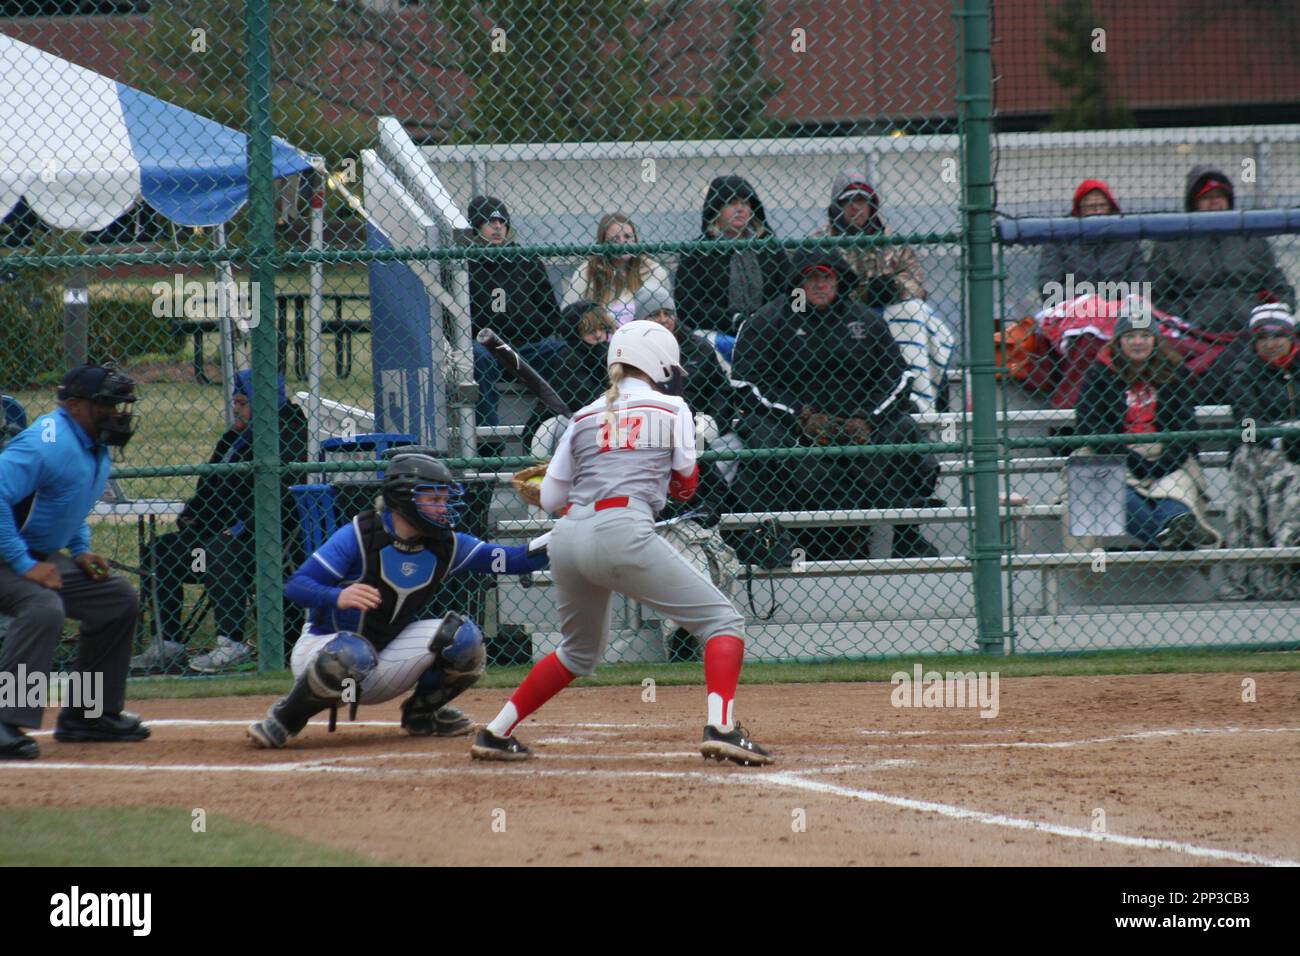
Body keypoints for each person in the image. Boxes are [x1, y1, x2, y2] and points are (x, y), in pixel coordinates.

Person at [470, 321, 773, 765]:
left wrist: (565, 476)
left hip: (570, 538)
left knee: (577, 652)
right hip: (624, 529)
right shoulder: (674, 408)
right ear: (659, 363)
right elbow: (686, 490)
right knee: (722, 624)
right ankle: (722, 727)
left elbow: (553, 499)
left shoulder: (584, 416)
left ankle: (495, 732)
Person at [247, 451, 549, 748]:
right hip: (323, 652)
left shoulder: (447, 545)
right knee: (354, 651)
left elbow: (518, 561)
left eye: (444, 499)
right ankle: (285, 720)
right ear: (404, 500)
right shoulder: (359, 535)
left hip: (382, 662)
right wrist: (337, 596)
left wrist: (570, 529)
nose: (443, 508)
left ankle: (422, 715)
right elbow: (297, 586)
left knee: (463, 638)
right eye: (433, 500)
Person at [729, 250, 941, 560]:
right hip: (794, 430)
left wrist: (866, 419)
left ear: (839, 280)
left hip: (860, 430)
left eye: (826, 276)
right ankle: (775, 538)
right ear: (797, 282)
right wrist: (799, 417)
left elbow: (898, 378)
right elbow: (745, 383)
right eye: (811, 277)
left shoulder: (866, 320)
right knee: (760, 434)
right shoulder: (768, 321)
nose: (819, 284)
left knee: (905, 428)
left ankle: (907, 536)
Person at [0, 363, 149, 760]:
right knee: (42, 605)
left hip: (29, 552)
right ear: (76, 406)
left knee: (115, 598)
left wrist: (80, 550)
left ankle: (88, 714)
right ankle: (3, 720)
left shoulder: (92, 444)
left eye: (122, 404)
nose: (119, 413)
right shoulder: (48, 443)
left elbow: (68, 505)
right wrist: (24, 565)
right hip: (10, 554)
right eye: (109, 404)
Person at [131, 370, 308, 674]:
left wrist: (240, 528)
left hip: (267, 543)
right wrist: (192, 514)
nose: (235, 409)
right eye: (234, 402)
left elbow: (284, 496)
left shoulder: (290, 433)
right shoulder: (234, 438)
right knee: (162, 550)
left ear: (262, 402)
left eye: (241, 402)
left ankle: (233, 643)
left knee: (219, 550)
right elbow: (208, 488)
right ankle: (169, 642)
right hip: (216, 537)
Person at [1073, 312, 1221, 550]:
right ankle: (1173, 541)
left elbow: (1185, 425)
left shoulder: (1175, 370)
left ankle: (1174, 527)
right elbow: (1090, 425)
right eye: (1130, 336)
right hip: (1115, 452)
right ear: (1118, 340)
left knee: (1177, 489)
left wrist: (1164, 462)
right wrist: (1131, 459)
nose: (1138, 342)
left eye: (1145, 335)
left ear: (1155, 340)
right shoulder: (1099, 372)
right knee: (1109, 488)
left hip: (1166, 453)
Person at [812, 171, 956, 414]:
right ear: (837, 206)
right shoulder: (820, 242)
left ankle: (921, 404)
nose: (856, 208)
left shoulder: (892, 239)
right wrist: (862, 294)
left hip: (892, 314)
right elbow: (813, 291)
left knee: (913, 309)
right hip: (842, 319)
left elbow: (917, 284)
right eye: (848, 201)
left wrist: (894, 287)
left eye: (862, 201)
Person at [1149, 167, 1294, 403]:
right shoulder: (1171, 242)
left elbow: (1281, 289)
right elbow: (1157, 296)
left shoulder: (1251, 239)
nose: (1214, 203)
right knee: (1229, 361)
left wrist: (1268, 316)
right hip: (1196, 335)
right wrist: (1185, 319)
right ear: (1193, 203)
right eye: (1206, 198)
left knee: (1247, 353)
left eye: (1219, 196)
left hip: (1250, 334)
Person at [467, 195, 564, 432]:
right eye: (490, 222)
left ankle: (552, 427)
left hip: (525, 346)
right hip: (487, 349)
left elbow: (551, 314)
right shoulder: (466, 263)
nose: (498, 227)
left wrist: (524, 325)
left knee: (562, 352)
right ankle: (489, 443)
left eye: (502, 222)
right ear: (476, 227)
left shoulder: (526, 259)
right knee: (479, 358)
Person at [1222, 303, 1300, 599]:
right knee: (1278, 470)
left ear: (1291, 336)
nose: (1271, 343)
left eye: (1278, 335)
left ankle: (1289, 545)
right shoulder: (1244, 371)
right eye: (1263, 337)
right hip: (1260, 453)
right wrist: (1282, 439)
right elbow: (1248, 425)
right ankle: (1288, 543)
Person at [673, 175, 790, 335]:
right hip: (715, 334)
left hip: (769, 331)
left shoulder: (769, 247)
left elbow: (787, 292)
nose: (740, 209)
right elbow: (687, 306)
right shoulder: (698, 251)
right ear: (716, 208)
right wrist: (733, 319)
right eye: (732, 203)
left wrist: (764, 318)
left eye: (745, 203)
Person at [523, 300, 618, 459]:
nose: (597, 335)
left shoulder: (605, 353)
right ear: (575, 331)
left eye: (601, 328)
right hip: (550, 429)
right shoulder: (568, 356)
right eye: (589, 330)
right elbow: (585, 399)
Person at [561, 213, 671, 326]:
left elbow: (667, 313)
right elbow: (568, 312)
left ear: (636, 239)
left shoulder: (653, 270)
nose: (623, 243)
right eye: (614, 239)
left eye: (627, 237)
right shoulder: (586, 271)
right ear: (603, 243)